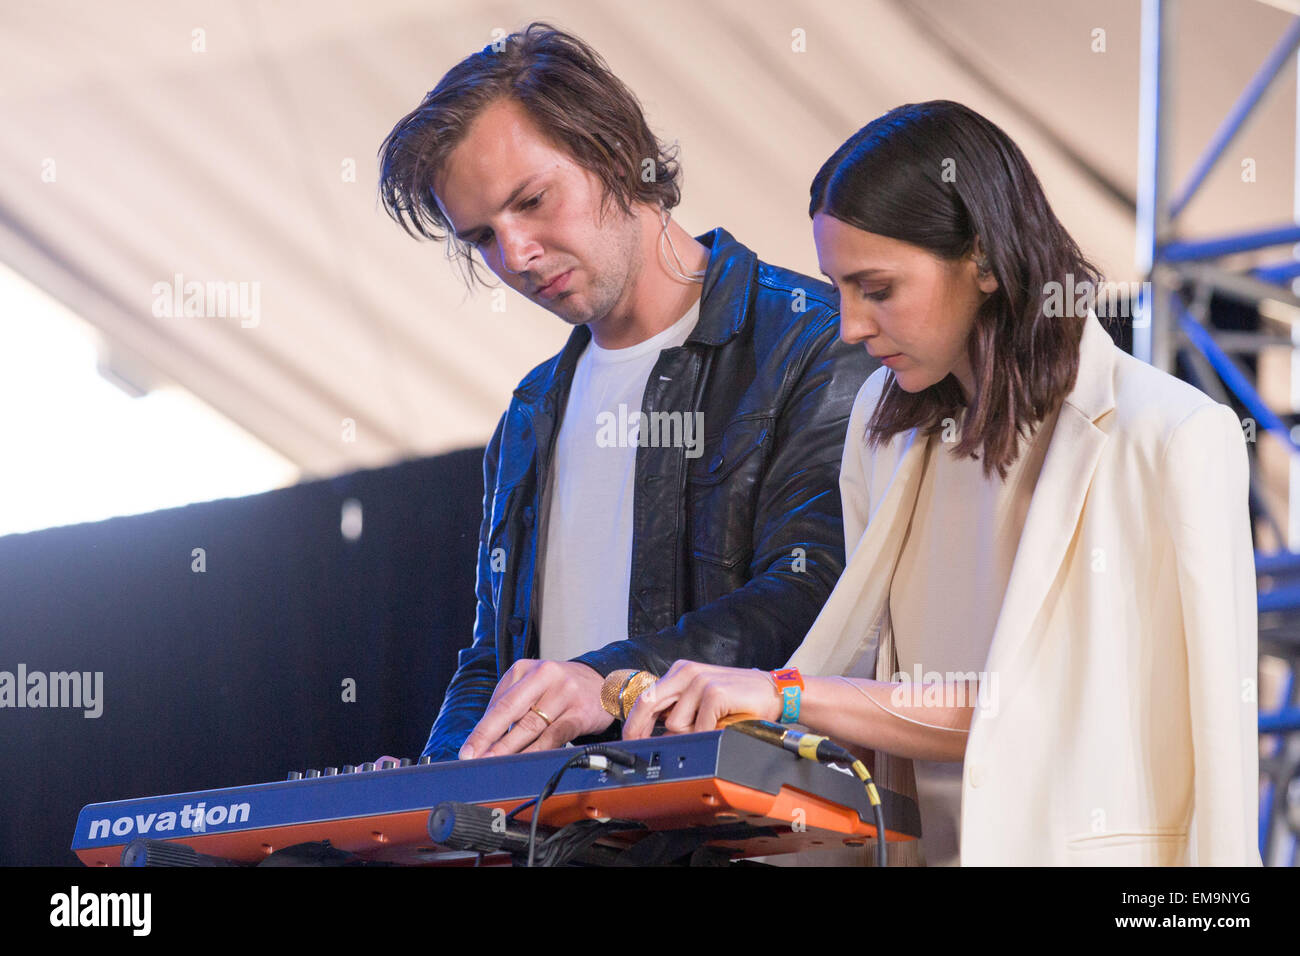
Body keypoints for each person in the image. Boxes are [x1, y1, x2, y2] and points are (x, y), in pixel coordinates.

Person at [624, 100, 1261, 867]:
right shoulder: (881, 428)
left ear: (986, 262)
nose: (850, 326)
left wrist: (783, 692)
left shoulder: (1173, 436)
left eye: (878, 288)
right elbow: (874, 687)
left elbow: (1054, 712)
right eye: (839, 287)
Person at [377, 23, 875, 763]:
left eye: (533, 201)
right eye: (482, 237)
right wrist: (438, 783)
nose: (515, 256)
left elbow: (815, 593)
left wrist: (604, 680)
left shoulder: (812, 340)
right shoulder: (530, 410)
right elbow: (497, 659)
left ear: (614, 153)